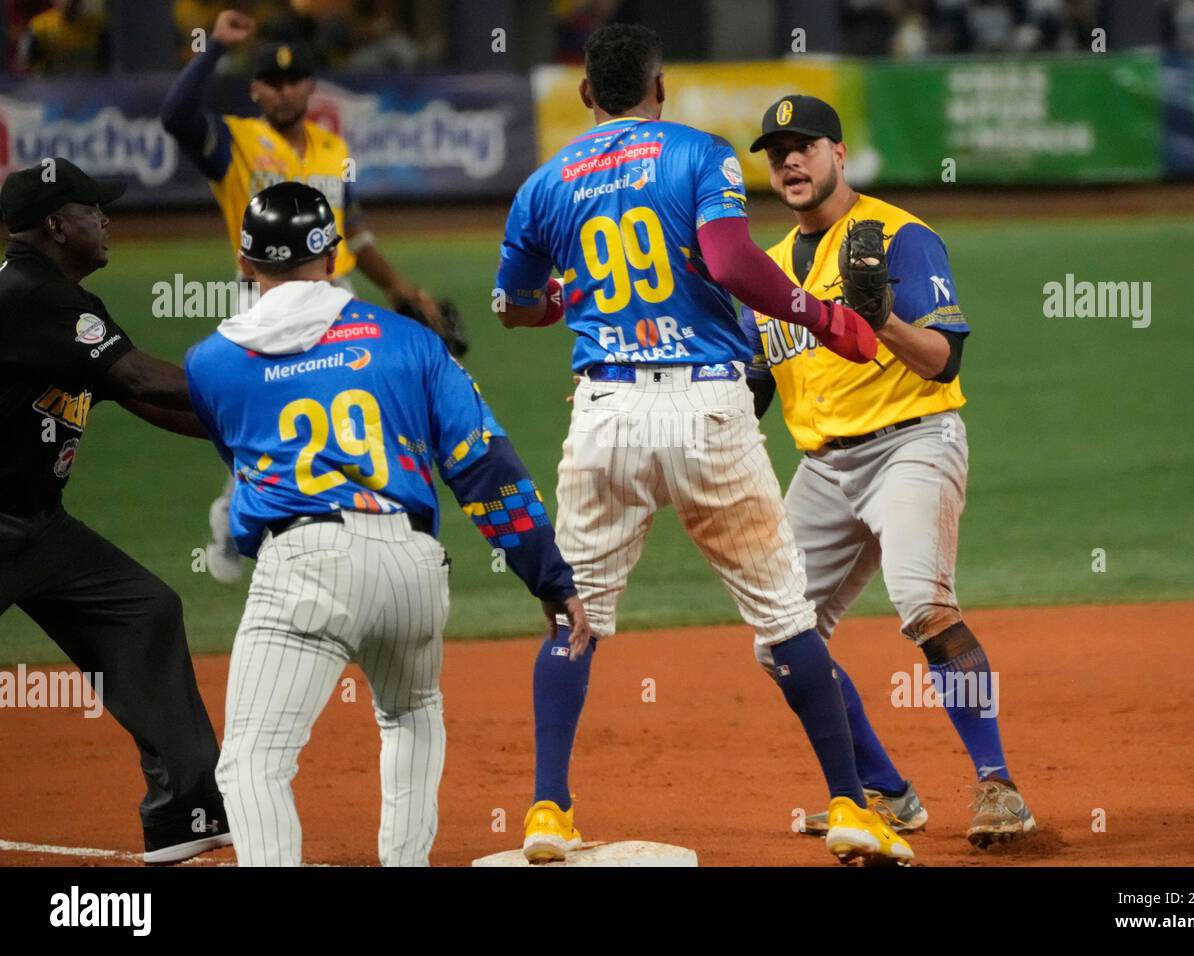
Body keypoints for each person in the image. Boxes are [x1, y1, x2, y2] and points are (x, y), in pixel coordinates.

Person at [496, 23, 911, 866]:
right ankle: (847, 804)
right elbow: (727, 261)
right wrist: (822, 314)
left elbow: (515, 304)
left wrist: (566, 299)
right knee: (786, 618)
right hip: (707, 410)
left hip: (603, 411)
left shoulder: (543, 184)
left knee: (573, 614)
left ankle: (546, 808)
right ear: (661, 87)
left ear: (584, 96)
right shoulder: (698, 152)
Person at [185, 182, 587, 866]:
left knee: (253, 761)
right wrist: (547, 575)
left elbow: (247, 465)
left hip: (303, 564)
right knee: (410, 717)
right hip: (410, 564)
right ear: (334, 255)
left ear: (246, 264)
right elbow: (484, 464)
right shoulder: (410, 341)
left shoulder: (210, 364)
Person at [742, 95, 1036, 847]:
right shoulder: (769, 273)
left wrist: (883, 323)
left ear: (840, 153)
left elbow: (944, 362)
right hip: (821, 471)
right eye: (777, 152)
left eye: (805, 145)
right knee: (781, 641)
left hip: (913, 444)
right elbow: (753, 394)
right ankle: (888, 792)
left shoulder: (900, 237)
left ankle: (999, 785)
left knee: (923, 606)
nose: (790, 162)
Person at [160, 7, 469, 585]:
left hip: (337, 294)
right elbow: (176, 115)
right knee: (268, 419)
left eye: (294, 80)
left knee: (357, 407)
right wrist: (213, 49)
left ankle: (365, 516)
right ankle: (236, 513)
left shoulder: (331, 146)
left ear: (310, 86)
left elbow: (355, 230)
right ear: (255, 89)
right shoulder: (235, 141)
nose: (282, 91)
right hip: (264, 298)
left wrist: (404, 290)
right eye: (271, 82)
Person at [0, 158, 231, 864]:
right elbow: (140, 374)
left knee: (142, 609)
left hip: (36, 529)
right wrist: (265, 389)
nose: (107, 220)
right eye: (94, 209)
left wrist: (249, 437)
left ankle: (186, 814)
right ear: (54, 224)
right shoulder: (28, 297)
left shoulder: (65, 303)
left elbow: (136, 397)